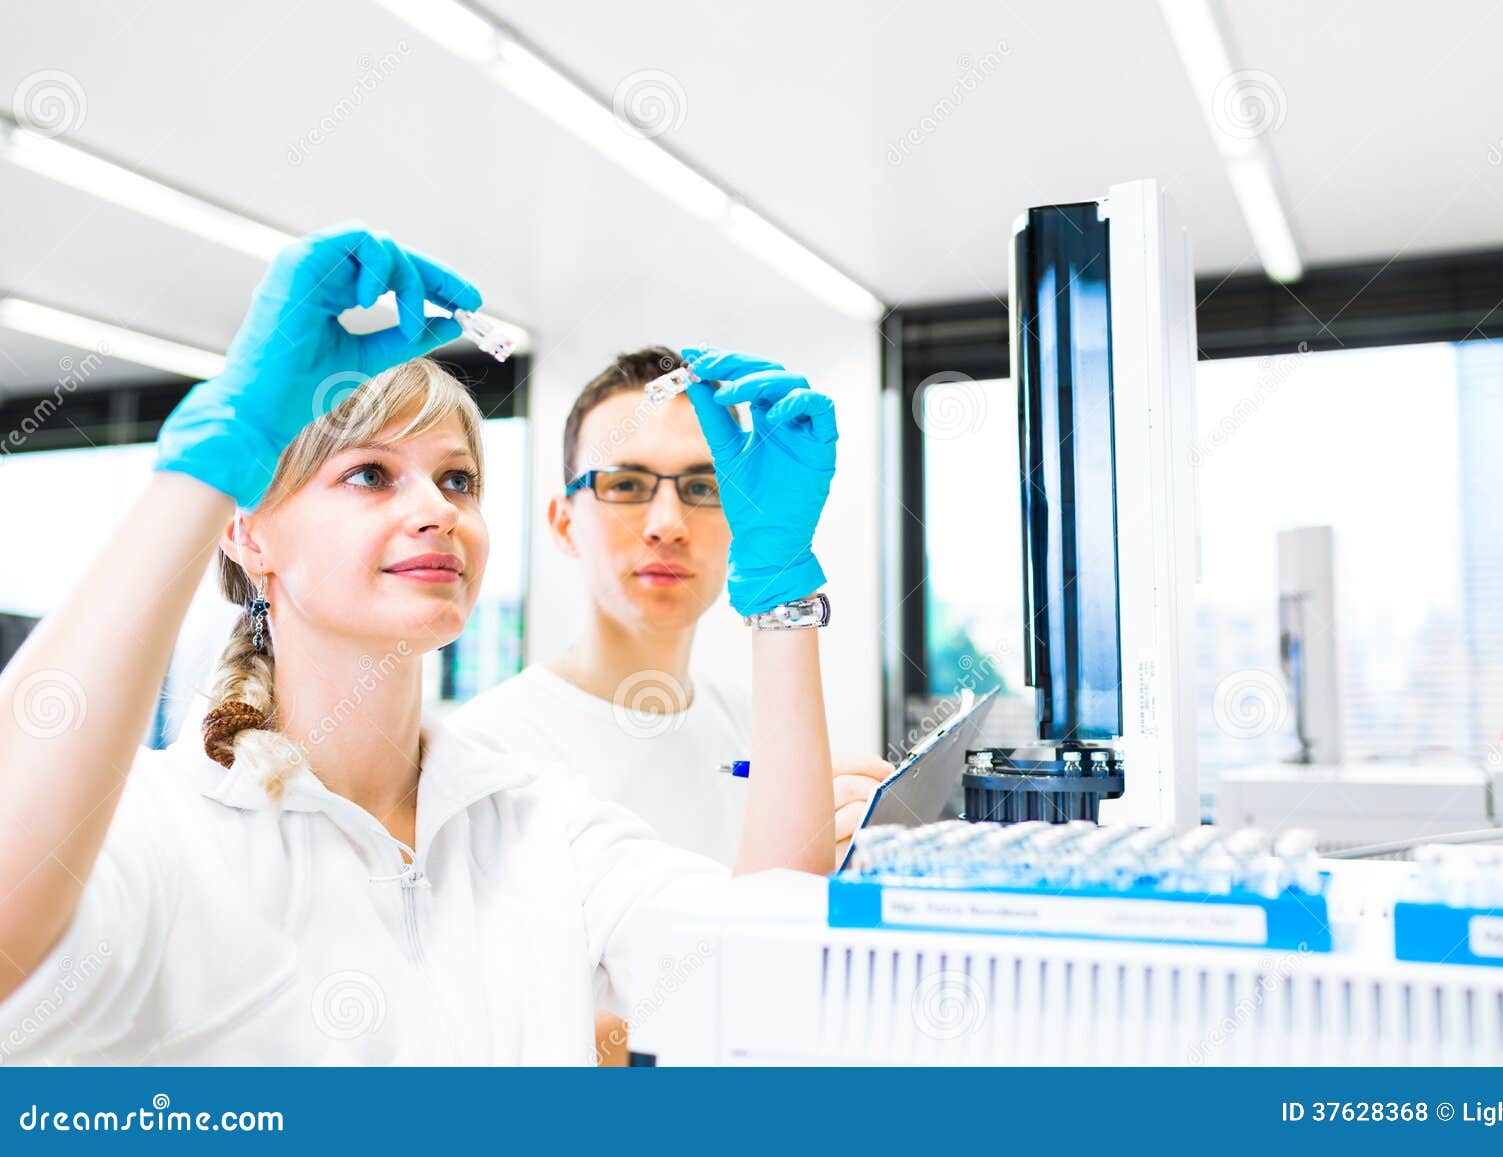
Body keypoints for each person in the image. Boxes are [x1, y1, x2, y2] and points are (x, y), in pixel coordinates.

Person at [0, 226, 839, 1064]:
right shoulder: (171, 831)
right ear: (249, 533)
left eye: (458, 479)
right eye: (370, 475)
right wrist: (207, 464)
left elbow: (767, 977)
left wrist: (780, 599)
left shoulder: (538, 823)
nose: (437, 509)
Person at [449, 348, 894, 874]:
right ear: (565, 525)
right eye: (627, 485)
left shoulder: (757, 722)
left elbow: (779, 925)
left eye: (703, 488)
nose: (667, 524)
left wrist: (837, 860)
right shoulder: (485, 752)